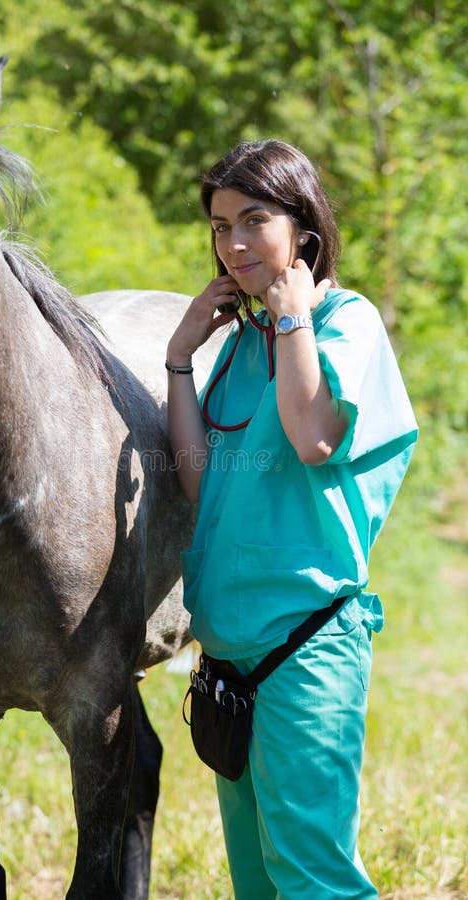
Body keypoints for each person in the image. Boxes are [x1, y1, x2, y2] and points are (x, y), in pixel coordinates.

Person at [166, 139, 418, 899]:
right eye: (220, 226)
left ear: (303, 230)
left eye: (255, 220)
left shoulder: (346, 322)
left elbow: (314, 440)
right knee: (257, 881)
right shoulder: (243, 343)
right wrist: (180, 357)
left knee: (315, 879)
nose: (234, 243)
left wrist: (293, 320)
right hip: (229, 655)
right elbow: (196, 479)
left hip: (305, 647)